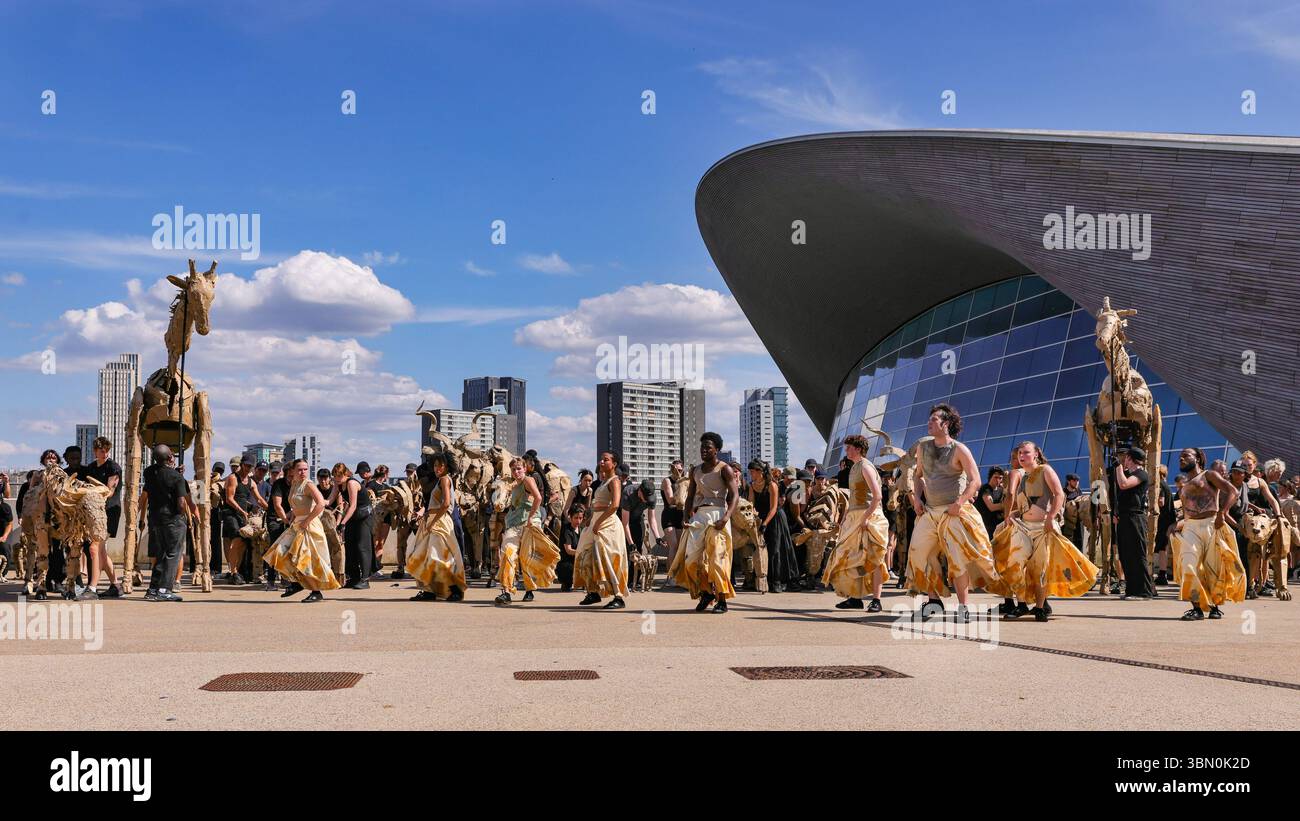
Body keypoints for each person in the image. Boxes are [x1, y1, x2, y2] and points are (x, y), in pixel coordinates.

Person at [908, 404, 1004, 621]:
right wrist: (916, 498)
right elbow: (918, 475)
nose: (929, 423)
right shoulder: (924, 448)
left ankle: (963, 607)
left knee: (957, 558)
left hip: (954, 511)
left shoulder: (959, 449)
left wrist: (959, 503)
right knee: (920, 553)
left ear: (947, 424)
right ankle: (933, 602)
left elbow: (976, 480)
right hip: (930, 511)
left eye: (934, 419)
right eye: (929, 419)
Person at [994, 442, 1098, 621]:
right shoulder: (1022, 476)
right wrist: (1012, 515)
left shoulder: (1045, 470)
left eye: (1026, 452)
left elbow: (1059, 494)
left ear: (1035, 455)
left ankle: (1040, 607)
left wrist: (1051, 516)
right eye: (1020, 453)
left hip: (1044, 527)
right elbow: (1024, 506)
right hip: (1024, 526)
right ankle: (1022, 604)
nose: (1022, 456)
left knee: (1040, 567)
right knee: (1015, 561)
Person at [1170, 448, 1246, 620]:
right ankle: (1196, 608)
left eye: (1186, 455)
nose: (1181, 458)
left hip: (1212, 524)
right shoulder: (1183, 486)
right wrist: (1176, 524)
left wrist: (1222, 513)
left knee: (1214, 567)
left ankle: (1214, 607)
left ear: (1197, 459)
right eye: (1180, 457)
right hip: (1190, 527)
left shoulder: (1209, 475)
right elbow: (1188, 511)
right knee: (1189, 564)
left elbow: (1233, 491)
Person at [669, 432, 738, 613]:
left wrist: (725, 518)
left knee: (717, 559)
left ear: (717, 450)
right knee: (691, 560)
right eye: (702, 447)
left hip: (718, 516)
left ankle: (722, 599)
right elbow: (690, 496)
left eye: (708, 447)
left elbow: (734, 496)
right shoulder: (695, 471)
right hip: (699, 517)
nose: (704, 450)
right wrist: (685, 517)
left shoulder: (725, 469)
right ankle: (707, 592)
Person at [821, 434, 891, 611]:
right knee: (852, 557)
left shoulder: (866, 467)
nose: (846, 451)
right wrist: (846, 517)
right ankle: (854, 597)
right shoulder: (854, 467)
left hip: (869, 517)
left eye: (849, 448)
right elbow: (854, 497)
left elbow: (877, 496)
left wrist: (866, 518)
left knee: (874, 558)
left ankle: (876, 600)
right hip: (856, 516)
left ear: (858, 449)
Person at [263, 459, 340, 602]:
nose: (303, 472)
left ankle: (316, 592)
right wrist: (291, 515)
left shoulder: (308, 484)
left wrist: (307, 520)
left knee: (308, 559)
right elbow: (295, 505)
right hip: (297, 523)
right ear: (292, 471)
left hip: (309, 525)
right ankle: (296, 583)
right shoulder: (295, 484)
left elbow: (321, 504)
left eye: (305, 469)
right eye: (300, 469)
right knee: (280, 552)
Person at [494, 458, 561, 605]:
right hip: (513, 524)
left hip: (528, 525)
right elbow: (507, 499)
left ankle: (529, 589)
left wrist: (531, 517)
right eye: (513, 469)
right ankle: (506, 592)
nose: (516, 472)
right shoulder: (514, 484)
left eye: (519, 468)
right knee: (508, 553)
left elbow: (538, 497)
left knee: (526, 558)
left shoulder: (528, 480)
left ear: (525, 468)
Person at [406, 453, 467, 601]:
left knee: (439, 556)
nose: (437, 468)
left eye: (440, 465)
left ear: (446, 466)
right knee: (428, 556)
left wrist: (433, 522)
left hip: (440, 522)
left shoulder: (445, 480)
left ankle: (453, 590)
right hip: (434, 520)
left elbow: (446, 504)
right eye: (435, 465)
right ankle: (430, 590)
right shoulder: (442, 480)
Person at [574, 450, 629, 608]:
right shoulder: (603, 482)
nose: (602, 462)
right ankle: (593, 592)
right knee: (585, 553)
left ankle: (618, 597)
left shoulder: (614, 481)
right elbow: (596, 504)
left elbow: (615, 505)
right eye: (601, 460)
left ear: (614, 464)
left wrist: (598, 523)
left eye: (606, 460)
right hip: (596, 520)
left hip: (608, 523)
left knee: (606, 556)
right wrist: (590, 520)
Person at [140, 445, 194, 602]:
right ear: (170, 457)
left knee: (160, 554)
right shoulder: (176, 478)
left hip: (155, 519)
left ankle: (153, 589)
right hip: (172, 519)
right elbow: (182, 503)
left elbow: (160, 476)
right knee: (172, 555)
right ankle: (165, 589)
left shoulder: (149, 472)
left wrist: (175, 472)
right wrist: (182, 516)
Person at [77, 436, 123, 599]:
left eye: (107, 451)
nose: (105, 454)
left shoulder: (113, 468)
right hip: (93, 512)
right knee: (101, 551)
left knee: (94, 548)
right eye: (102, 451)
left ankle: (92, 588)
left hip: (108, 512)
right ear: (95, 451)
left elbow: (109, 491)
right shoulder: (90, 468)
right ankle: (116, 586)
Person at [749, 460, 800, 592]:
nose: (750, 474)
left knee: (776, 549)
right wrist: (753, 519)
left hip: (775, 518)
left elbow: (773, 508)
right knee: (762, 550)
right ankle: (763, 579)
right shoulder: (752, 485)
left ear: (760, 472)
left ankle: (777, 581)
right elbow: (751, 505)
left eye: (752, 471)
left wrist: (765, 523)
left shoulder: (772, 485)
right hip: (761, 519)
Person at [1112, 447, 1155, 600]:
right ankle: (1132, 590)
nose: (1124, 461)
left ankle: (1143, 591)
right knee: (1126, 554)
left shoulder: (1141, 474)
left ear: (1130, 458)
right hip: (1125, 517)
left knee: (1137, 554)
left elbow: (1124, 484)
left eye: (1126, 458)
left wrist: (1118, 467)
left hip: (1135, 518)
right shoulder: (1130, 473)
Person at [332, 461, 376, 589]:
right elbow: (330, 499)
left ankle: (365, 579)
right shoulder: (338, 483)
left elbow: (353, 505)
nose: (337, 478)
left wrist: (342, 523)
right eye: (335, 475)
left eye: (339, 475)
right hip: (353, 516)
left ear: (345, 474)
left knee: (363, 546)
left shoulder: (351, 483)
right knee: (350, 546)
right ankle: (354, 577)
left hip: (364, 516)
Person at [221, 457, 265, 585]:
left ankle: (235, 572)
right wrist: (242, 511)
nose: (248, 468)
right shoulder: (233, 478)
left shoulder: (251, 482)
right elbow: (229, 498)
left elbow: (259, 499)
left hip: (242, 515)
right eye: (246, 466)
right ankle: (233, 572)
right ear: (241, 465)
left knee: (244, 543)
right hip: (231, 513)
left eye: (250, 466)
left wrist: (271, 509)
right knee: (237, 539)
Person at [389, 463, 423, 580]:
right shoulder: (402, 484)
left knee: (421, 543)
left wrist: (421, 511)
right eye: (407, 472)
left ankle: (420, 567)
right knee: (401, 543)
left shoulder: (422, 483)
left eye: (410, 472)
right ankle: (400, 567)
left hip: (418, 517)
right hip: (404, 517)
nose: (409, 474)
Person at [264, 460, 293, 591]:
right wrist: (286, 520)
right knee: (276, 547)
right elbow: (277, 506)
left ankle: (286, 579)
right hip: (275, 519)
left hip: (290, 518)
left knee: (289, 548)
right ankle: (270, 580)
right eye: (290, 476)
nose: (293, 479)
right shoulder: (278, 484)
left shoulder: (298, 484)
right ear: (285, 474)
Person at [659, 460, 688, 586]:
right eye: (675, 469)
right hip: (669, 514)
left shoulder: (685, 481)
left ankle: (678, 575)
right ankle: (670, 576)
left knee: (681, 547)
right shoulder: (667, 481)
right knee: (674, 545)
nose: (677, 472)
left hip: (681, 515)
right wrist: (681, 488)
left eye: (680, 470)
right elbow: (671, 500)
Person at [1153, 465, 1176, 585]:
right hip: (1169, 520)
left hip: (1162, 520)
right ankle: (1162, 574)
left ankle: (1160, 574)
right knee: (1163, 548)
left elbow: (1161, 502)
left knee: (1160, 547)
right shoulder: (1166, 485)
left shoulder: (1160, 485)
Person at [368, 464, 391, 577]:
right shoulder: (371, 485)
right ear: (386, 474)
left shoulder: (387, 486)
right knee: (375, 542)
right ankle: (372, 567)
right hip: (375, 516)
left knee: (381, 543)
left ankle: (377, 566)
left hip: (386, 516)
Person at [973, 466, 1006, 539]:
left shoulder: (1001, 490)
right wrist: (1007, 505)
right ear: (990, 477)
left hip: (997, 525)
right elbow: (992, 507)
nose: (998, 480)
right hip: (986, 526)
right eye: (995, 477)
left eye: (1000, 478)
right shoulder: (986, 489)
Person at [557, 507, 582, 592]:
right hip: (567, 562)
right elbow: (569, 550)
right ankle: (566, 582)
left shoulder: (582, 529)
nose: (578, 521)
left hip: (578, 559)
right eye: (575, 518)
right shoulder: (566, 530)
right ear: (570, 518)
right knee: (568, 569)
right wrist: (583, 553)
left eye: (580, 518)